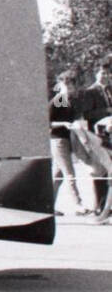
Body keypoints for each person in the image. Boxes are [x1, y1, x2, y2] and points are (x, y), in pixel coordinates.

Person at [50, 70, 89, 215]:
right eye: (67, 85)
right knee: (70, 173)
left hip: (67, 139)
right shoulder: (56, 101)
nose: (70, 88)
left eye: (72, 85)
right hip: (58, 140)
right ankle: (78, 205)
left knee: (57, 177)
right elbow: (46, 123)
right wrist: (64, 124)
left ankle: (47, 206)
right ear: (61, 85)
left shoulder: (69, 102)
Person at [82, 58, 112, 216]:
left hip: (110, 135)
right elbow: (87, 114)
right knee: (101, 171)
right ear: (96, 74)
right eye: (102, 73)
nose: (105, 76)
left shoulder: (110, 90)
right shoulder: (90, 92)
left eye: (107, 73)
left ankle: (108, 205)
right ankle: (100, 205)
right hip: (97, 135)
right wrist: (106, 111)